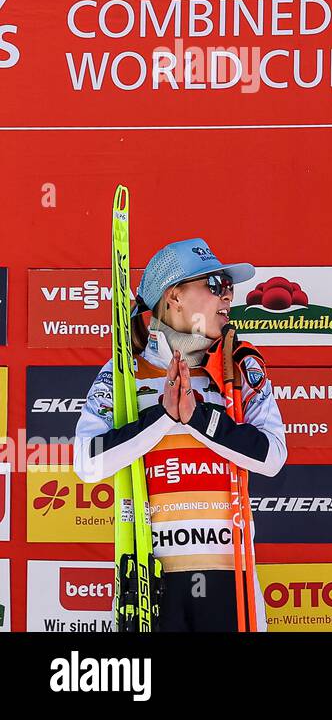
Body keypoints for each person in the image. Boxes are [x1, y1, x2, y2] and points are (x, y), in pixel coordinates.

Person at [74, 239, 287, 631]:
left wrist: (198, 418)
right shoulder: (125, 373)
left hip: (229, 577)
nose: (228, 294)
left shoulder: (240, 368)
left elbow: (272, 456)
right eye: (216, 283)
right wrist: (164, 416)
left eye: (229, 286)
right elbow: (87, 462)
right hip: (150, 577)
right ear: (174, 296)